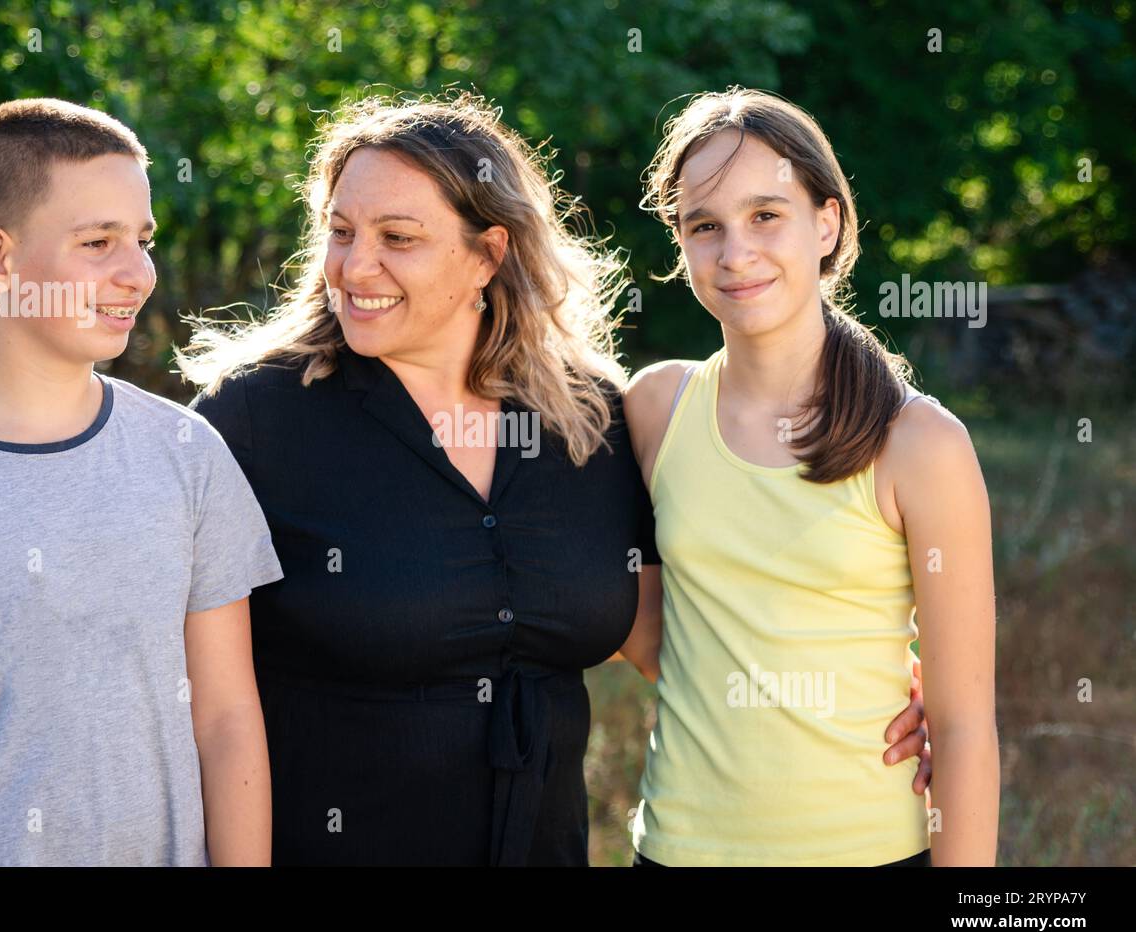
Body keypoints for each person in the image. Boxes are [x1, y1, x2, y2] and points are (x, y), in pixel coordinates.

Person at [180, 91, 932, 865]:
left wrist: (877, 684)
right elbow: (201, 705)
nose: (354, 266)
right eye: (340, 232)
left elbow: (672, 636)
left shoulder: (586, 420)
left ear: (489, 255)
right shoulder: (254, 421)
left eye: (396, 237)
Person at [0, 98, 279, 866]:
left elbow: (228, 717)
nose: (137, 273)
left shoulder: (188, 454)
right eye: (97, 242)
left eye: (142, 240)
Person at [625, 87, 999, 866]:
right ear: (681, 244)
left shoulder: (920, 443)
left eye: (766, 215)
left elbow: (963, 726)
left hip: (869, 850)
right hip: (678, 849)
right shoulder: (655, 408)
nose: (735, 252)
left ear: (826, 222)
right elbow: (654, 628)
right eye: (705, 226)